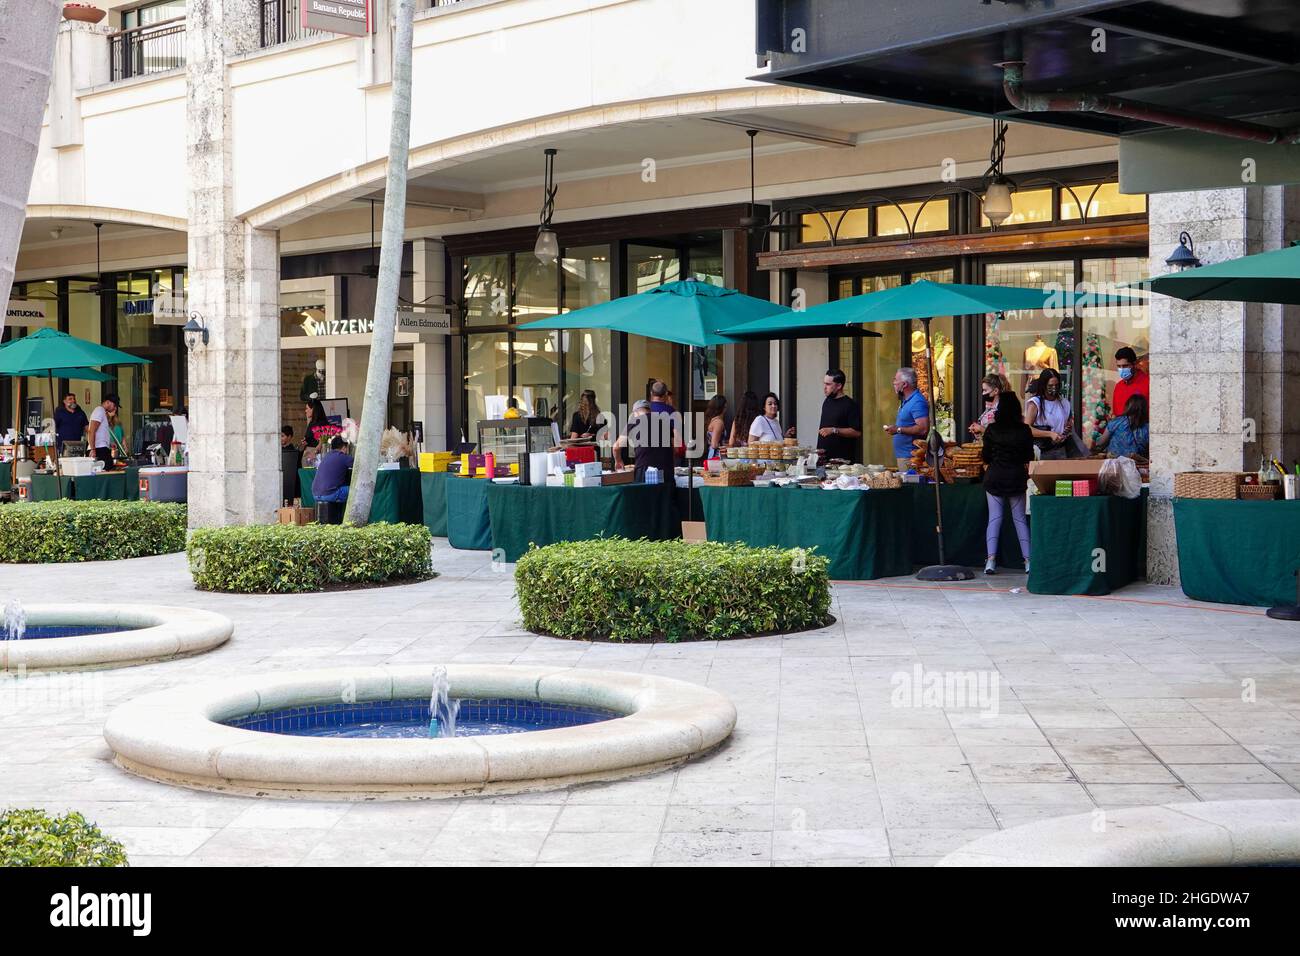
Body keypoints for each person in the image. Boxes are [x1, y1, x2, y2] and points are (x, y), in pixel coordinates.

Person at [981, 391, 1033, 575]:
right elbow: (1029, 456)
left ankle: (990, 561)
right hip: (1016, 476)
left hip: (994, 476)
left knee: (994, 518)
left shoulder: (992, 429)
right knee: (1019, 519)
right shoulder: (1024, 430)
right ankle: (1028, 562)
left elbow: (985, 456)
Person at [1025, 368, 1079, 460]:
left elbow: (1066, 425)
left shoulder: (1064, 403)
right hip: (1042, 450)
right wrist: (1050, 434)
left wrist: (1066, 430)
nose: (1054, 388)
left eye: (1056, 385)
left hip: (1060, 449)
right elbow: (1026, 428)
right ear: (1044, 385)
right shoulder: (1035, 403)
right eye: (1050, 385)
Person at [882, 367, 926, 471]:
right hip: (904, 456)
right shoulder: (906, 400)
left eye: (896, 380)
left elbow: (923, 428)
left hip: (910, 457)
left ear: (904, 384)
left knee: (910, 486)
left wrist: (898, 429)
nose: (893, 383)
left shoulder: (917, 402)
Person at [819, 368, 863, 464]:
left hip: (842, 462)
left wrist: (834, 430)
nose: (824, 387)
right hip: (823, 459)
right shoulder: (827, 401)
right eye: (824, 383)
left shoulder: (850, 405)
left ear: (839, 385)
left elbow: (856, 432)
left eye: (828, 384)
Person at [1090, 393, 1149, 459]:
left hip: (1115, 464)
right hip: (1137, 466)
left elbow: (1100, 443)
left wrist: (1093, 437)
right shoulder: (1148, 428)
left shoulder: (1117, 422)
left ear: (1128, 406)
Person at [312, 436, 353, 504]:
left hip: (316, 494)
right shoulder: (342, 456)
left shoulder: (326, 456)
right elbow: (359, 465)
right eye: (346, 448)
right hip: (330, 494)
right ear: (344, 448)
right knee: (358, 490)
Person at [1111, 346, 1148, 418]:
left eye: (1125, 366)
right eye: (1119, 366)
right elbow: (1116, 415)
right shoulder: (1118, 386)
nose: (1121, 369)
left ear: (1134, 364)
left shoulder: (1149, 383)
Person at [613, 399, 650, 470]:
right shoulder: (664, 422)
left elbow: (616, 448)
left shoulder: (634, 422)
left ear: (635, 412)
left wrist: (618, 460)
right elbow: (673, 448)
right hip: (665, 469)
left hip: (643, 468)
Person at [85, 394, 119, 469]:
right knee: (105, 470)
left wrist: (110, 443)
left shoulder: (102, 412)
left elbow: (101, 432)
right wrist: (93, 449)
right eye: (114, 405)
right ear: (108, 402)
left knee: (109, 467)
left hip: (101, 447)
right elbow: (92, 431)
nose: (115, 408)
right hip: (98, 448)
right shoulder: (99, 410)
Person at [281, 425, 301, 504]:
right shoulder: (277, 450)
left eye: (283, 436)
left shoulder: (294, 452)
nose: (280, 438)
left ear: (289, 437)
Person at [703, 394, 728, 460]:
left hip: (712, 455)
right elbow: (714, 444)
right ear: (723, 407)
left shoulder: (713, 420)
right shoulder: (719, 422)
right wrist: (727, 447)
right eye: (725, 406)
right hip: (718, 457)